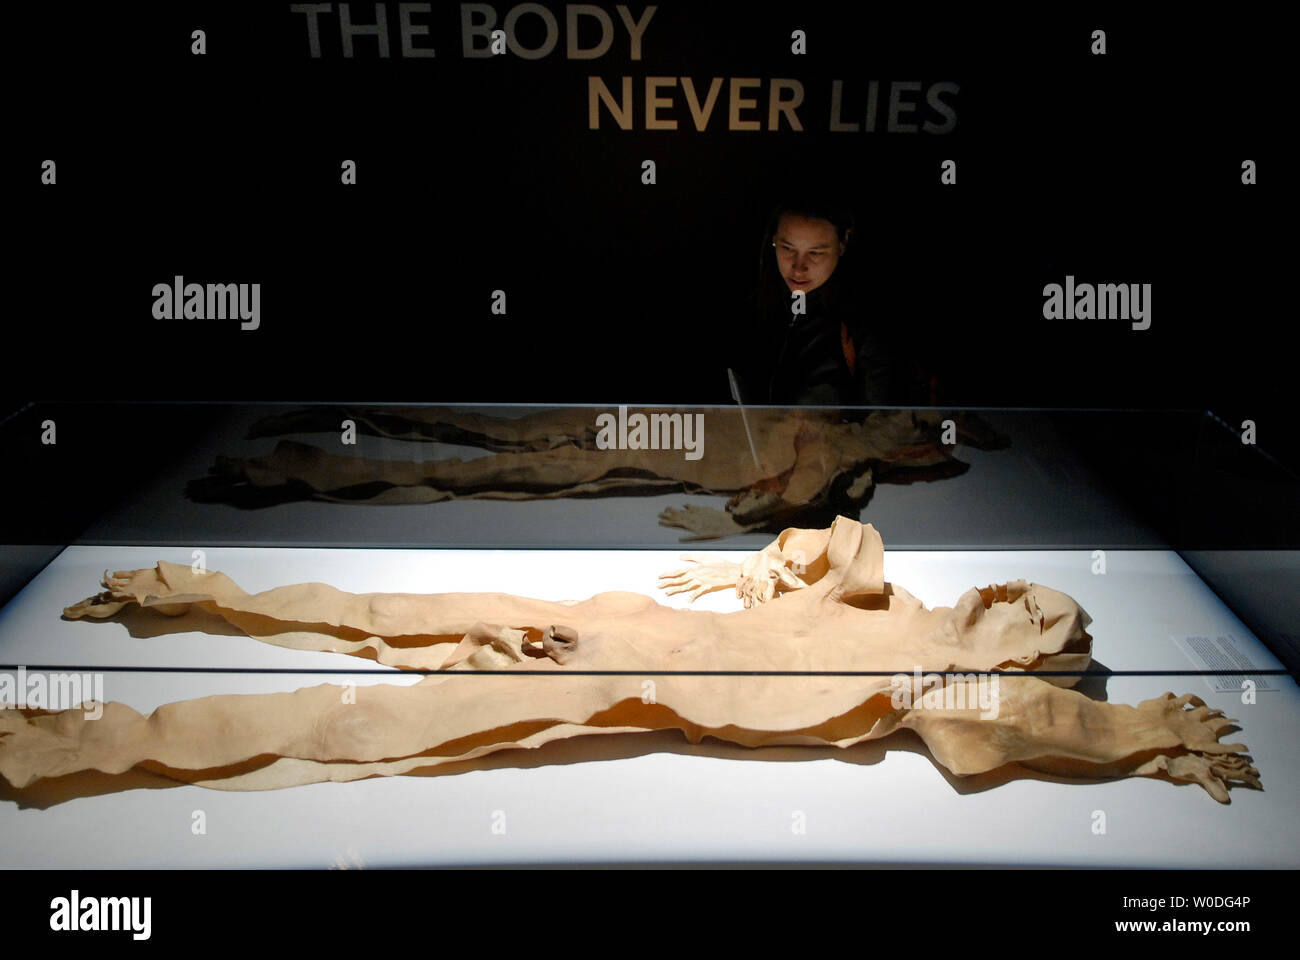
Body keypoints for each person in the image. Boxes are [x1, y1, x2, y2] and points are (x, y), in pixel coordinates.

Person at [733, 199, 895, 406]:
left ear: (843, 243)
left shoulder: (861, 327)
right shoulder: (755, 307)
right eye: (787, 248)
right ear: (773, 239)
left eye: (815, 253)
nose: (799, 268)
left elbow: (886, 425)